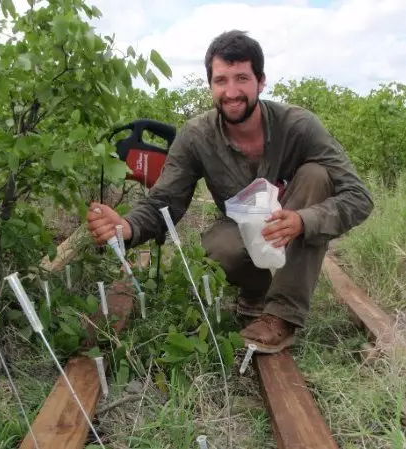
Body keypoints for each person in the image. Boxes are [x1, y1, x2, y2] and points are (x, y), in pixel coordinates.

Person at [87, 30, 373, 354]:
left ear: (260, 82)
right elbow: (166, 200)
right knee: (217, 251)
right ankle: (255, 294)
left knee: (317, 176)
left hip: (292, 223)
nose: (231, 91)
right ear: (210, 85)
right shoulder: (196, 135)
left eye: (242, 78)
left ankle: (282, 316)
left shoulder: (299, 126)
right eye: (221, 80)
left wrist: (303, 220)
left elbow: (359, 197)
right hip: (242, 230)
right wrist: (127, 227)